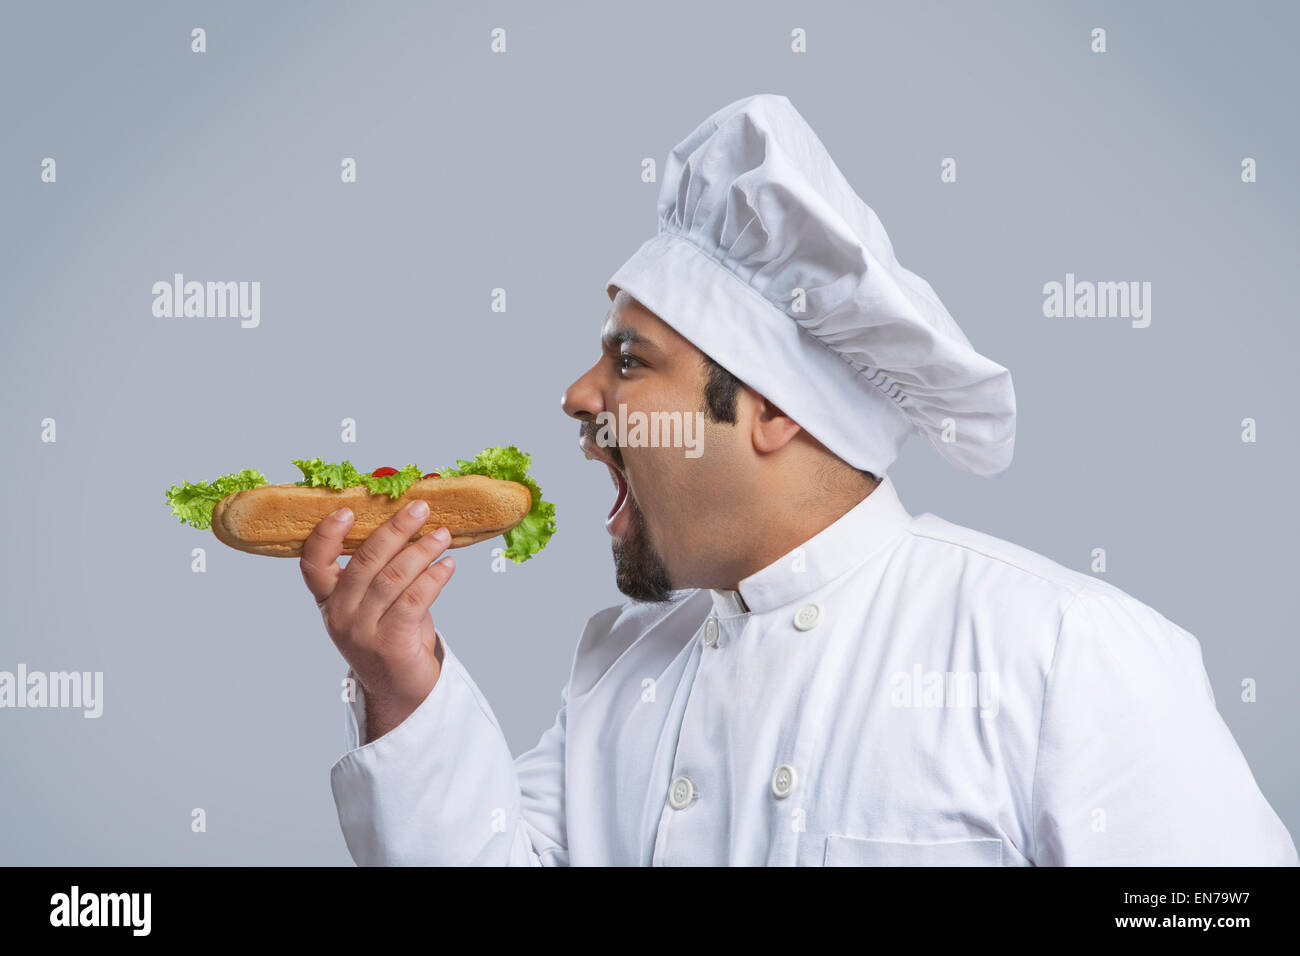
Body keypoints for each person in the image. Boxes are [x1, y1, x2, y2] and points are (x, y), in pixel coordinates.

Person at [304, 94, 1298, 865]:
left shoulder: (1063, 649)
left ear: (774, 407)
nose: (575, 393)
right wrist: (402, 683)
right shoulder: (619, 669)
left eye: (630, 360)